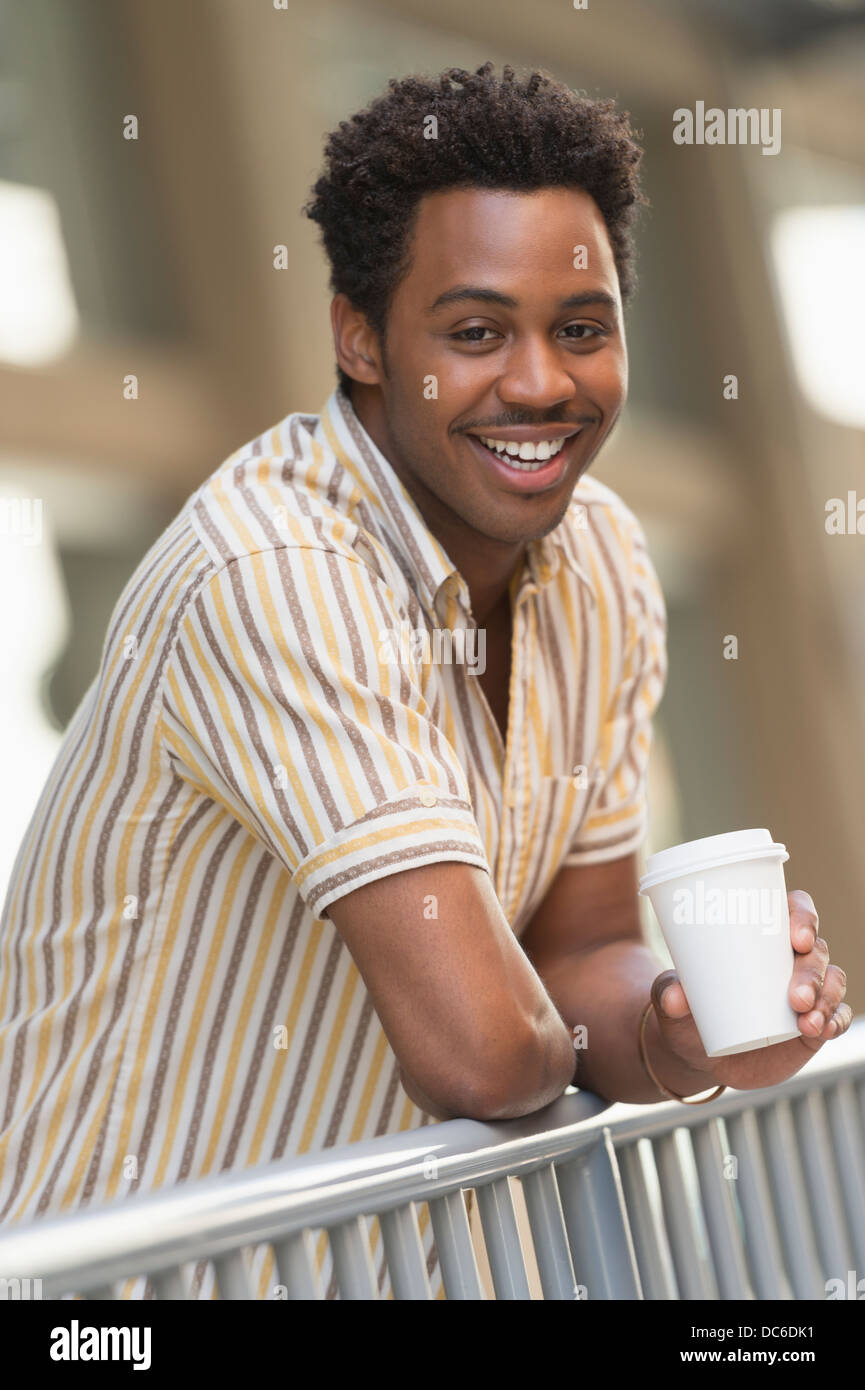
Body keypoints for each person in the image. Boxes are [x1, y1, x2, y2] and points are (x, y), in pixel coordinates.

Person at [0, 61, 850, 1301]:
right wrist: (580, 1037)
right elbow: (483, 1052)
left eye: (580, 327)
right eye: (473, 332)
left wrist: (683, 1030)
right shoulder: (276, 569)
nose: (540, 384)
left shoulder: (604, 560)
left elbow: (585, 947)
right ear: (358, 336)